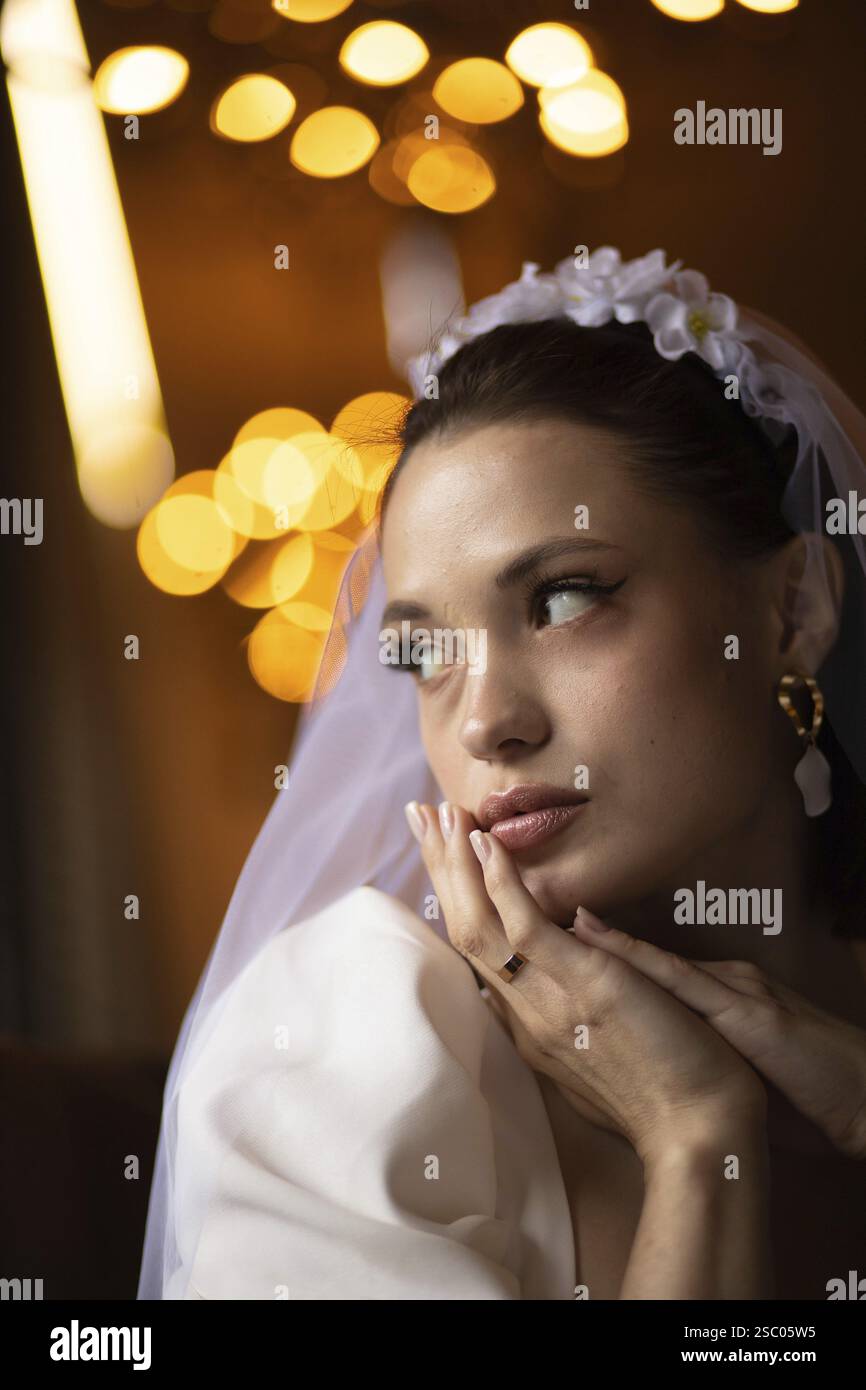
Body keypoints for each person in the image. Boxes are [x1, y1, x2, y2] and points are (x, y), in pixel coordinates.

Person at [138, 248, 866, 1301]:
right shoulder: (362, 1043)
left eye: (564, 600)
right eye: (422, 655)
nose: (484, 721)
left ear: (789, 612)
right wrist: (693, 1138)